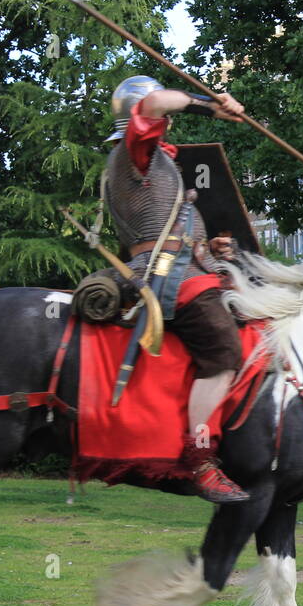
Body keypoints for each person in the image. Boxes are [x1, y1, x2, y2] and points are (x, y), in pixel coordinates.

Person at [103, 75, 250, 504]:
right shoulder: (134, 153)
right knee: (224, 348)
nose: (165, 118)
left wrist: (214, 249)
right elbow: (155, 104)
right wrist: (211, 105)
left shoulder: (155, 159)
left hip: (190, 266)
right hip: (165, 273)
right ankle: (201, 461)